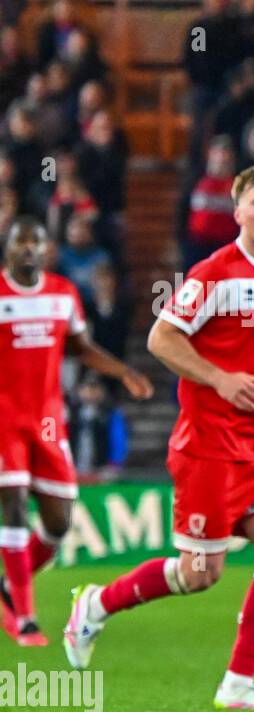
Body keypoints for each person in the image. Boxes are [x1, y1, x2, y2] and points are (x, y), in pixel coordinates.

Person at [62, 157, 254, 711]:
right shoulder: (215, 273)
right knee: (199, 575)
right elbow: (161, 339)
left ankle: (238, 683)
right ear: (237, 211)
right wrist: (221, 378)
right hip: (209, 446)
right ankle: (95, 604)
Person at [0, 218, 153, 646]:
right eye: (21, 242)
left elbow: (80, 347)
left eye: (37, 242)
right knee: (12, 505)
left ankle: (8, 580)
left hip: (48, 420)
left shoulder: (62, 294)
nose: (29, 249)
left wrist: (122, 372)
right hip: (4, 421)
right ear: (9, 249)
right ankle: (25, 617)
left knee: (59, 520)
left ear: (47, 249)